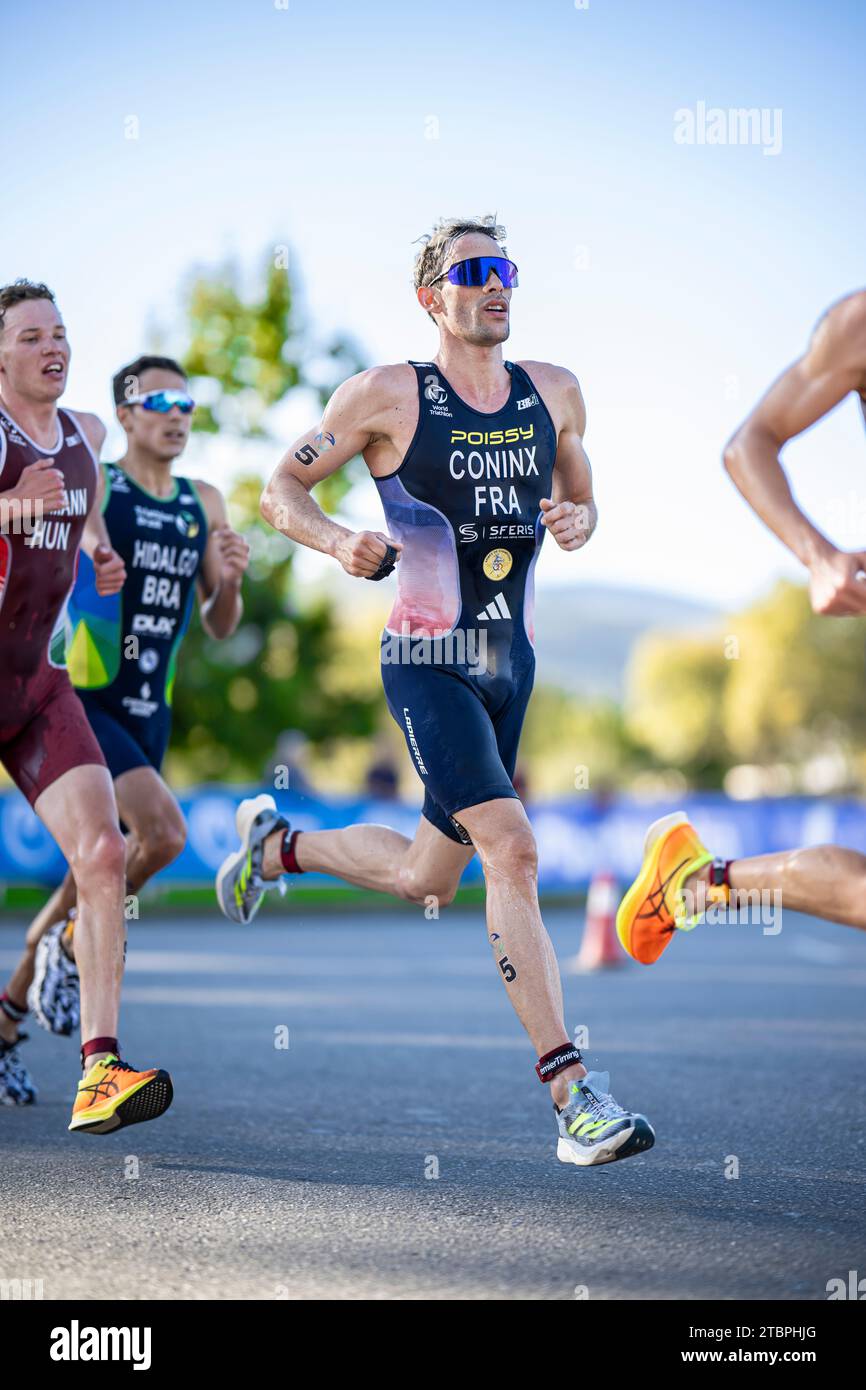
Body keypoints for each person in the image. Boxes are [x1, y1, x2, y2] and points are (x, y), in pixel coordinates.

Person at [216, 216, 655, 1166]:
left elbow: (583, 494)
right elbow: (276, 492)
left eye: (506, 270)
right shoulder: (384, 395)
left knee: (426, 876)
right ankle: (573, 1095)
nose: (497, 286)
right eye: (475, 271)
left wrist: (579, 517)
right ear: (434, 297)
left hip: (512, 664)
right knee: (514, 849)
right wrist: (338, 541)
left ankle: (276, 848)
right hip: (426, 658)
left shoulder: (557, 390)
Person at [1, 353, 250, 1081]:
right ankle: (71, 948)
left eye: (188, 404)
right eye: (161, 401)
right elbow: (71, 549)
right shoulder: (97, 479)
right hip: (86, 690)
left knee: (99, 861)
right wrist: (94, 560)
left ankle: (13, 1008)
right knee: (164, 832)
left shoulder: (203, 500)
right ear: (128, 412)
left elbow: (221, 622)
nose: (177, 415)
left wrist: (229, 579)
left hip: (151, 706)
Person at [617, 290, 866, 965]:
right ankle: (703, 882)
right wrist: (818, 558)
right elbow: (746, 446)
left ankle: (698, 883)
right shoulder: (859, 324)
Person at [0, 280, 171, 1130]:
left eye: (59, 332)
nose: (51, 346)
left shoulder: (86, 435)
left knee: (105, 852)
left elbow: (85, 504)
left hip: (34, 683)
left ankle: (99, 1070)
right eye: (30, 336)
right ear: (0, 355)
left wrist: (98, 550)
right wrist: (7, 508)